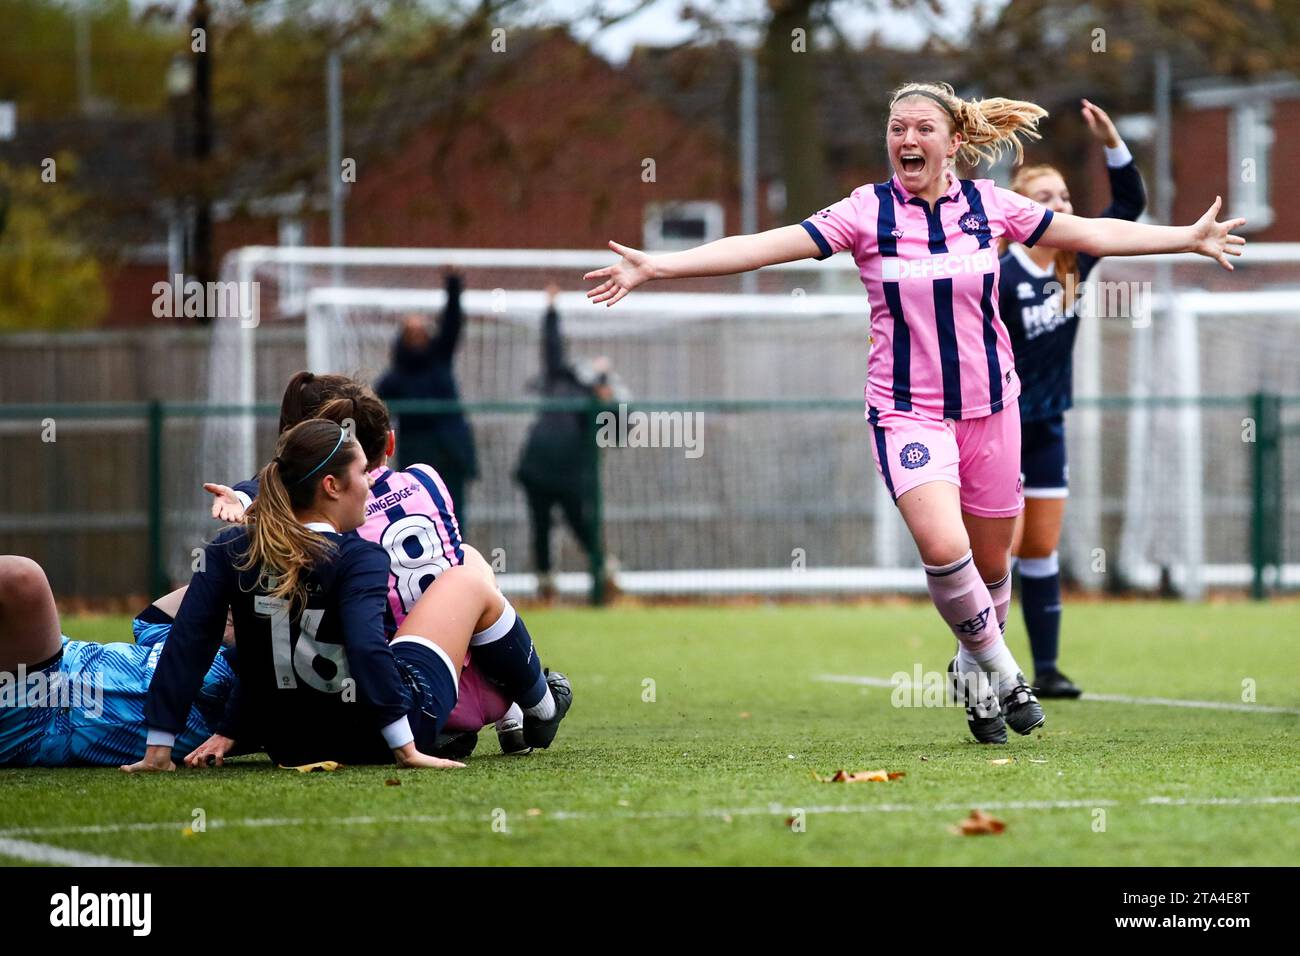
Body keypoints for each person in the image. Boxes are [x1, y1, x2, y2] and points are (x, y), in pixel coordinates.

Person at [583, 80, 1243, 744]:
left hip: (993, 409)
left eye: (922, 128)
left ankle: (971, 668)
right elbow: (765, 244)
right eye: (897, 128)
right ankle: (1007, 674)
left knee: (991, 569)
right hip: (907, 413)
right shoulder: (866, 212)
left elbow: (1088, 231)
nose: (906, 139)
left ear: (954, 142)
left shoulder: (991, 206)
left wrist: (1186, 237)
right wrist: (659, 267)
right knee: (942, 545)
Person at [203, 372, 570, 758]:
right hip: (474, 684)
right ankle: (531, 706)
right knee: (470, 561)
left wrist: (246, 500)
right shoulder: (427, 478)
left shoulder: (324, 525)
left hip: (387, 689)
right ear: (390, 442)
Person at [125, 419, 495, 771]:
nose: (369, 483)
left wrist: (159, 748)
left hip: (289, 743)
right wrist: (406, 748)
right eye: (363, 472)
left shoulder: (227, 548)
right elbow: (366, 648)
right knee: (470, 579)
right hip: (376, 736)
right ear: (331, 486)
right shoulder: (358, 555)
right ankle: (535, 702)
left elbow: (189, 641)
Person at [999, 99, 1146, 699]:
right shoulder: (994, 269)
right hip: (996, 427)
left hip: (1049, 425)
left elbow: (1129, 209)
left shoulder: (1073, 259)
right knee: (994, 557)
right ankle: (986, 668)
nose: (1059, 207)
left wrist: (1113, 140)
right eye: (1044, 199)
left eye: (1063, 197)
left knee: (1041, 547)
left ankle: (1048, 671)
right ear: (1018, 212)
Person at [0, 559, 238, 767]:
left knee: (22, 577)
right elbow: (151, 622)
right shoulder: (200, 641)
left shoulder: (246, 682)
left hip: (44, 717)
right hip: (57, 659)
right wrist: (229, 576)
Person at [515, 283, 622, 600]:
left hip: (572, 477)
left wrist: (607, 399)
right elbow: (552, 347)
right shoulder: (559, 379)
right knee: (541, 529)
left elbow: (616, 430)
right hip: (536, 469)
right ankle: (546, 585)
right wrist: (551, 311)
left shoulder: (598, 399)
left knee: (582, 526)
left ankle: (605, 577)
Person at [376, 270, 479, 535]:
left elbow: (452, 325)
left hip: (450, 451)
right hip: (417, 456)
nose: (418, 336)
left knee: (454, 514)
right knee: (421, 513)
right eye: (412, 332)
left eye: (422, 331)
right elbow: (374, 410)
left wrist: (454, 284)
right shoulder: (395, 379)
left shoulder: (439, 360)